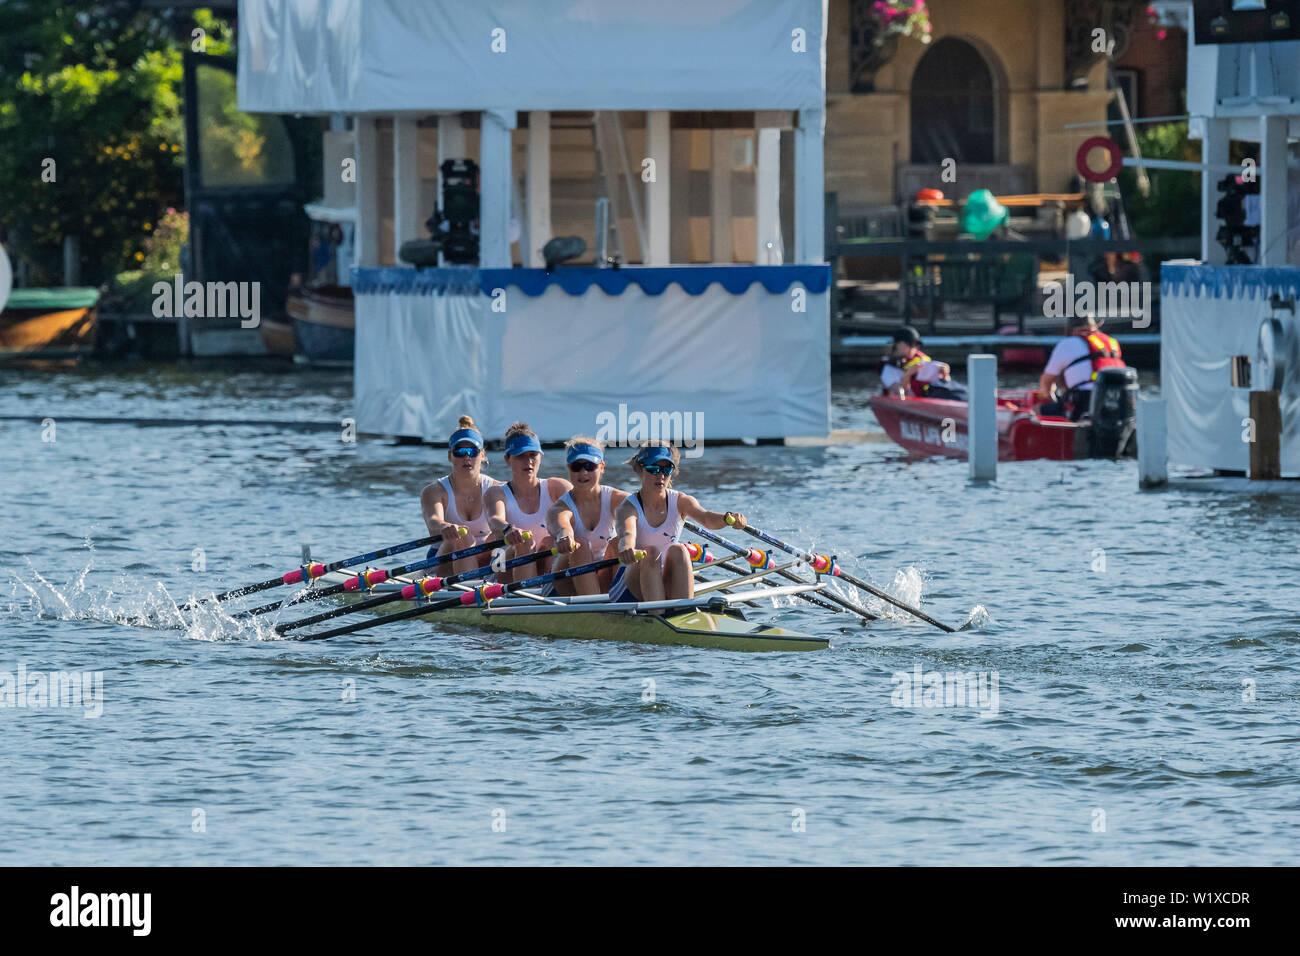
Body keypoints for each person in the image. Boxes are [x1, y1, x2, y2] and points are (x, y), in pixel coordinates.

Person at [609, 444, 746, 605]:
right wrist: (627, 549)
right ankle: (658, 615)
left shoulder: (681, 501)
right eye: (653, 468)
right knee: (651, 552)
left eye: (666, 469)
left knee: (680, 550)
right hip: (629, 588)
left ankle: (684, 613)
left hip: (661, 580)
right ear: (640, 469)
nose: (660, 475)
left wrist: (728, 518)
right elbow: (627, 534)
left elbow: (707, 518)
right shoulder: (628, 507)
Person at [484, 422, 571, 584]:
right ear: (507, 459)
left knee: (550, 542)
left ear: (540, 457)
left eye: (533, 455)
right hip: (502, 568)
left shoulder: (557, 487)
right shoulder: (496, 492)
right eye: (520, 456)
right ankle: (528, 599)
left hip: (544, 561)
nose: (528, 461)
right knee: (525, 541)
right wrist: (508, 529)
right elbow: (495, 519)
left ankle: (549, 593)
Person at [545, 438, 630, 595]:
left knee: (621, 542)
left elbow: (645, 510)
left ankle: (617, 600)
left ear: (601, 467)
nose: (583, 472)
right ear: (569, 468)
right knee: (580, 545)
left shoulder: (616, 498)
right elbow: (561, 524)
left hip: (601, 576)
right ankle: (598, 608)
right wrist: (564, 536)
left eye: (590, 466)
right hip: (563, 583)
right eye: (577, 467)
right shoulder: (560, 508)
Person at [419, 416, 500, 574]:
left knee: (496, 540)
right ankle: (471, 590)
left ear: (482, 455)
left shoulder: (497, 489)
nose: (466, 457)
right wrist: (445, 527)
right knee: (463, 537)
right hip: (444, 562)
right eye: (460, 452)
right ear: (450, 456)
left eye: (472, 451)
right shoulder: (434, 491)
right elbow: (433, 520)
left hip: (485, 560)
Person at [1037, 313, 1124, 421]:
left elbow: (1046, 381)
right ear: (1095, 326)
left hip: (1085, 402)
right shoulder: (1112, 342)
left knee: (1037, 410)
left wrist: (1049, 397)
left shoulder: (1067, 344)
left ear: (1070, 329)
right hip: (1120, 400)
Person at [891, 325, 968, 401]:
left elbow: (944, 383)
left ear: (903, 344)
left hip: (933, 397)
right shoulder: (892, 363)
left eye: (916, 345)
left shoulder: (924, 360)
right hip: (922, 399)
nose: (916, 348)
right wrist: (908, 374)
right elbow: (902, 393)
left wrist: (945, 373)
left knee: (960, 394)